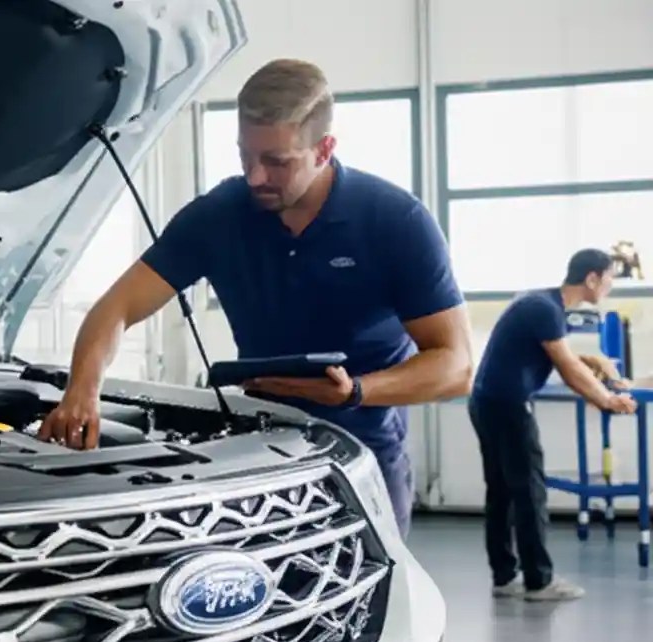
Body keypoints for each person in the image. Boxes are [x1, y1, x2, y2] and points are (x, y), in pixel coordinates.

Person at [38, 58, 474, 536]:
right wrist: (82, 391)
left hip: (361, 453)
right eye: (245, 156)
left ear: (324, 149)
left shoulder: (396, 222)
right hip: (254, 451)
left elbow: (456, 367)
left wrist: (357, 391)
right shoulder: (217, 217)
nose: (255, 177)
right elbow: (115, 308)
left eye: (277, 162)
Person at [468, 249, 636, 602]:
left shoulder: (542, 303)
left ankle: (504, 576)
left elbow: (559, 354)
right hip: (509, 407)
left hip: (487, 403)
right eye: (607, 279)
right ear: (591, 278)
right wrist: (608, 399)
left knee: (502, 491)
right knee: (529, 490)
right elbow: (567, 367)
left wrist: (593, 360)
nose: (609, 286)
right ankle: (538, 582)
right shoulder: (545, 310)